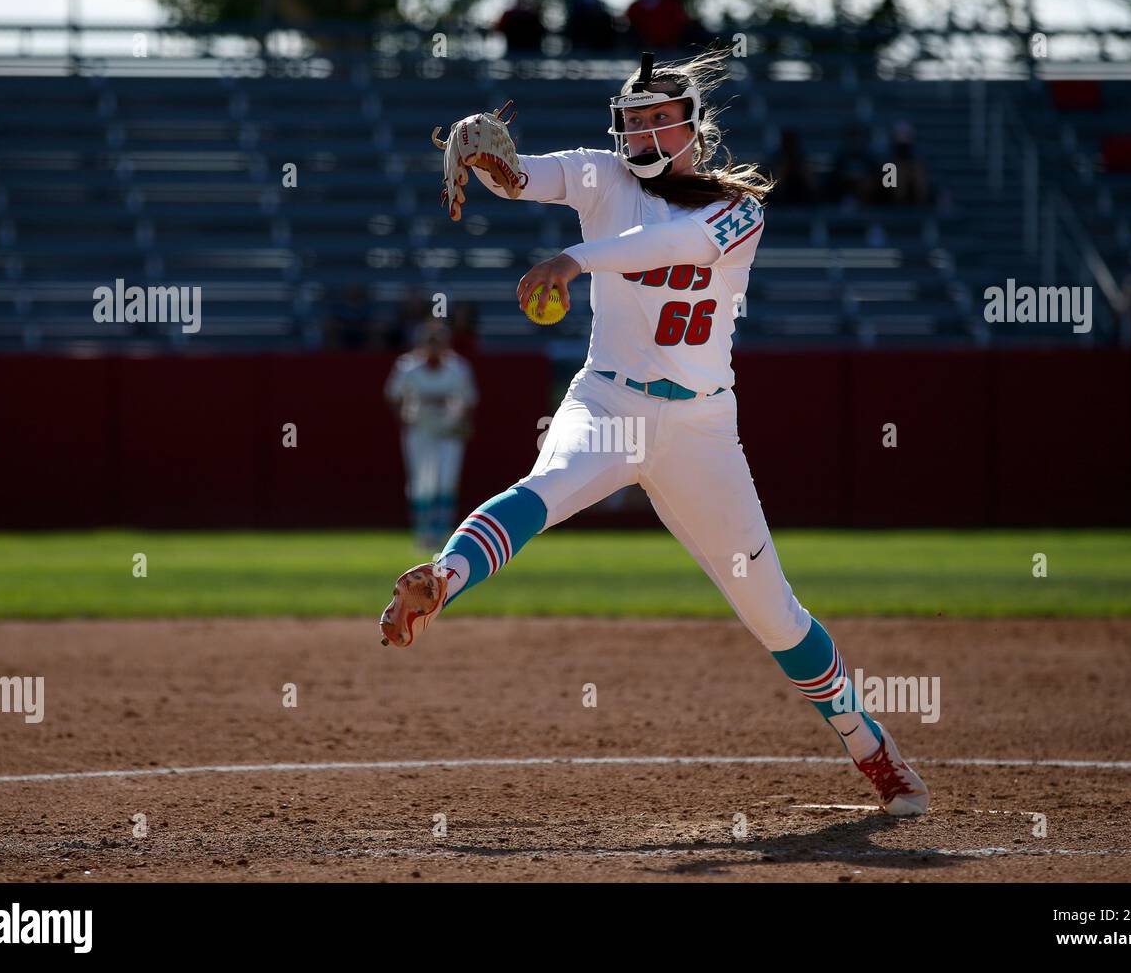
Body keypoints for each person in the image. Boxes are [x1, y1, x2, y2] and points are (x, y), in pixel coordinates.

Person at [380, 48, 928, 816]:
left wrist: (573, 259)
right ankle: (442, 578)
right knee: (543, 488)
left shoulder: (737, 209)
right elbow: (530, 175)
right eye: (630, 120)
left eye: (656, 119)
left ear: (691, 128)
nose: (638, 133)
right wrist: (486, 159)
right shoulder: (603, 175)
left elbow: (669, 247)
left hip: (703, 424)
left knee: (773, 611)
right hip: (610, 402)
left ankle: (873, 748)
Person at [385, 321, 478, 550]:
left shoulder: (458, 368)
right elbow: (393, 394)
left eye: (439, 341)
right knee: (422, 484)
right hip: (420, 432)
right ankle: (423, 534)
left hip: (449, 432)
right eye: (430, 341)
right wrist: (403, 419)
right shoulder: (408, 367)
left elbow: (469, 399)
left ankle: (443, 533)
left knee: (446, 481)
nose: (434, 347)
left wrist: (465, 423)